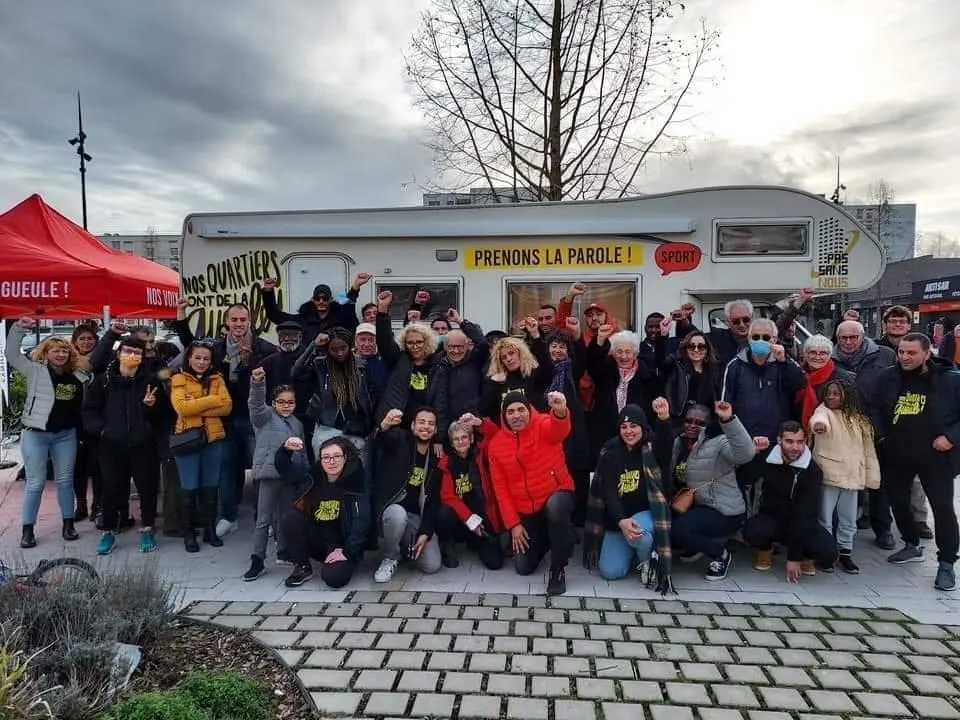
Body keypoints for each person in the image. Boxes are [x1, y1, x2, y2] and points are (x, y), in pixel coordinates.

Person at [870, 333, 960, 591]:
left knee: (942, 509)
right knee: (897, 502)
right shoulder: (888, 377)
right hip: (897, 454)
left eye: (911, 353)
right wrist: (883, 435)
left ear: (926, 353)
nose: (905, 357)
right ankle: (911, 543)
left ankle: (946, 563)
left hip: (937, 457)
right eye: (901, 352)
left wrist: (951, 438)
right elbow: (875, 407)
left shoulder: (950, 379)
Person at [7, 318, 87, 548]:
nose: (60, 354)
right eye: (55, 350)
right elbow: (12, 354)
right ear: (46, 352)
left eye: (64, 350)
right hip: (36, 434)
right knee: (35, 483)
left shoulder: (78, 376)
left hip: (65, 435)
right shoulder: (35, 371)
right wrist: (19, 328)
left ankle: (68, 524)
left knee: (65, 480)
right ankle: (27, 529)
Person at [82, 337, 166, 555]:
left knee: (147, 488)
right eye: (128, 351)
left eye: (137, 353)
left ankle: (147, 528)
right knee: (111, 489)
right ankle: (108, 531)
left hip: (143, 444)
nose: (132, 356)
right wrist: (101, 430)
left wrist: (151, 407)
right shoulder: (104, 381)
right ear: (119, 354)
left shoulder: (151, 381)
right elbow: (89, 410)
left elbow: (161, 415)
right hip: (111, 445)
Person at [487, 391, 575, 595]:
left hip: (557, 494)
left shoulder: (543, 424)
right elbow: (500, 489)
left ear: (528, 410)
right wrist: (514, 524)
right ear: (503, 415)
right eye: (510, 412)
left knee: (556, 508)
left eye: (521, 410)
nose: (516, 415)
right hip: (526, 509)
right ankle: (560, 536)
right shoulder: (496, 446)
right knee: (523, 567)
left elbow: (559, 430)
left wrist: (560, 411)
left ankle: (557, 570)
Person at [582, 403, 674, 592]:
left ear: (643, 428)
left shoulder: (652, 449)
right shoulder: (610, 453)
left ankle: (645, 561)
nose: (629, 431)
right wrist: (620, 520)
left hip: (649, 515)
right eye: (624, 427)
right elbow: (609, 492)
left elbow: (666, 445)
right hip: (620, 519)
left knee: (638, 532)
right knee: (610, 572)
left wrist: (664, 420)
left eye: (634, 426)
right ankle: (633, 548)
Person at [662, 399, 756, 580]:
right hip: (693, 506)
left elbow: (746, 454)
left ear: (709, 424)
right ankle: (694, 545)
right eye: (689, 420)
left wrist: (729, 420)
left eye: (700, 423)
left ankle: (720, 555)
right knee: (662, 522)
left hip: (722, 509)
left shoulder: (719, 443)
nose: (692, 425)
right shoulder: (679, 442)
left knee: (680, 530)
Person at [832, 318, 900, 548]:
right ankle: (851, 523)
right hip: (844, 430)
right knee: (850, 478)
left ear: (863, 337)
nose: (848, 342)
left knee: (878, 480)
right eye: (843, 338)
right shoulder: (830, 359)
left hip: (876, 426)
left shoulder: (885, 355)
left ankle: (883, 529)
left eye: (853, 337)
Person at [743, 421, 837, 582]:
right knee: (752, 531)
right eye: (789, 441)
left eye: (800, 442)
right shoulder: (767, 457)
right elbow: (745, 478)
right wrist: (754, 452)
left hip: (803, 521)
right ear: (779, 440)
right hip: (772, 517)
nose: (795, 447)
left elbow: (804, 513)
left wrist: (794, 557)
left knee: (828, 552)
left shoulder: (813, 470)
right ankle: (765, 549)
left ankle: (806, 556)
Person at [277, 437, 371, 588]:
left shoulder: (355, 482)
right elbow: (286, 470)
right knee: (290, 517)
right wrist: (285, 450)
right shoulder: (314, 476)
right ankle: (303, 566)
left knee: (333, 579)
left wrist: (347, 551)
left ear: (345, 457)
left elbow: (362, 521)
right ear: (320, 460)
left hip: (342, 545)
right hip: (317, 540)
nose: (331, 461)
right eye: (326, 457)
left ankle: (343, 562)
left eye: (336, 456)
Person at [810, 380, 880, 574]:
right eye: (828, 393)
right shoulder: (823, 412)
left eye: (836, 394)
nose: (831, 397)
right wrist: (820, 427)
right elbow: (817, 421)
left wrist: (870, 475)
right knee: (825, 517)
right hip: (829, 475)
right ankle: (826, 552)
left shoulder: (859, 420)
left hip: (852, 478)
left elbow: (868, 451)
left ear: (846, 395)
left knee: (848, 518)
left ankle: (845, 552)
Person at [169, 341, 233, 552]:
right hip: (188, 439)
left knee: (210, 486)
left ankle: (209, 530)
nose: (202, 362)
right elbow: (182, 408)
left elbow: (226, 407)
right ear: (189, 358)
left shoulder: (217, 379)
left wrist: (197, 403)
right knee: (189, 487)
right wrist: (212, 399)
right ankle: (188, 533)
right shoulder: (178, 379)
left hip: (213, 439)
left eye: (206, 359)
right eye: (197, 358)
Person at [243, 368, 306, 580]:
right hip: (269, 475)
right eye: (281, 402)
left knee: (286, 516)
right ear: (274, 402)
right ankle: (257, 559)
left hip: (289, 477)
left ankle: (284, 551)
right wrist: (258, 383)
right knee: (264, 518)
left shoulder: (297, 423)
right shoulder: (265, 417)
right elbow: (255, 404)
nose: (286, 406)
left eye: (290, 402)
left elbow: (302, 451)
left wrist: (303, 470)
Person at [373, 406, 444, 583]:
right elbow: (381, 439)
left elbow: (433, 500)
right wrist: (384, 426)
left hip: (414, 517)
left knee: (432, 565)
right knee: (398, 514)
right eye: (421, 422)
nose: (426, 427)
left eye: (431, 424)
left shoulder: (436, 458)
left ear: (435, 429)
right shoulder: (400, 440)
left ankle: (404, 545)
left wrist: (425, 532)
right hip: (391, 511)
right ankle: (391, 556)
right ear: (412, 426)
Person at [375, 291, 449, 443]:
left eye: (419, 342)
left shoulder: (436, 366)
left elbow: (440, 404)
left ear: (426, 342)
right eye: (410, 343)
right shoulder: (398, 360)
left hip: (425, 431)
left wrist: (439, 438)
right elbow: (384, 340)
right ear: (404, 344)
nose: (414, 346)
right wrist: (382, 311)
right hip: (397, 427)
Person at [436, 415, 504, 570]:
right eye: (456, 439)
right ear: (452, 443)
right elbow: (447, 496)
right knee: (444, 513)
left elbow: (496, 435)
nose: (461, 442)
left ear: (471, 438)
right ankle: (447, 543)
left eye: (464, 437)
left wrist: (480, 422)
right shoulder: (447, 462)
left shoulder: (481, 453)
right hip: (461, 517)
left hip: (482, 512)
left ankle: (475, 541)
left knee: (495, 563)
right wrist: (468, 518)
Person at [260, 275, 368, 345]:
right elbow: (275, 315)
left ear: (330, 300)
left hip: (335, 365)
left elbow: (349, 310)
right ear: (312, 300)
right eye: (317, 298)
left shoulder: (340, 319)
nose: (321, 301)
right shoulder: (302, 320)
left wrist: (355, 287)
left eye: (325, 298)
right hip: (309, 367)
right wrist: (268, 291)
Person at [70, 323, 100, 522]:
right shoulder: (68, 364)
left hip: (98, 420)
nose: (86, 342)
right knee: (77, 466)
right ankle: (80, 504)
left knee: (98, 465)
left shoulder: (102, 361)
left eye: (90, 338)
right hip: (75, 421)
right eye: (82, 339)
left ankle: (98, 503)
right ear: (75, 342)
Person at [795, 335, 855, 428]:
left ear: (829, 355)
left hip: (832, 429)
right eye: (813, 352)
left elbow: (850, 407)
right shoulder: (797, 375)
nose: (817, 357)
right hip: (799, 431)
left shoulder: (842, 377)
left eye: (823, 353)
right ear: (805, 354)